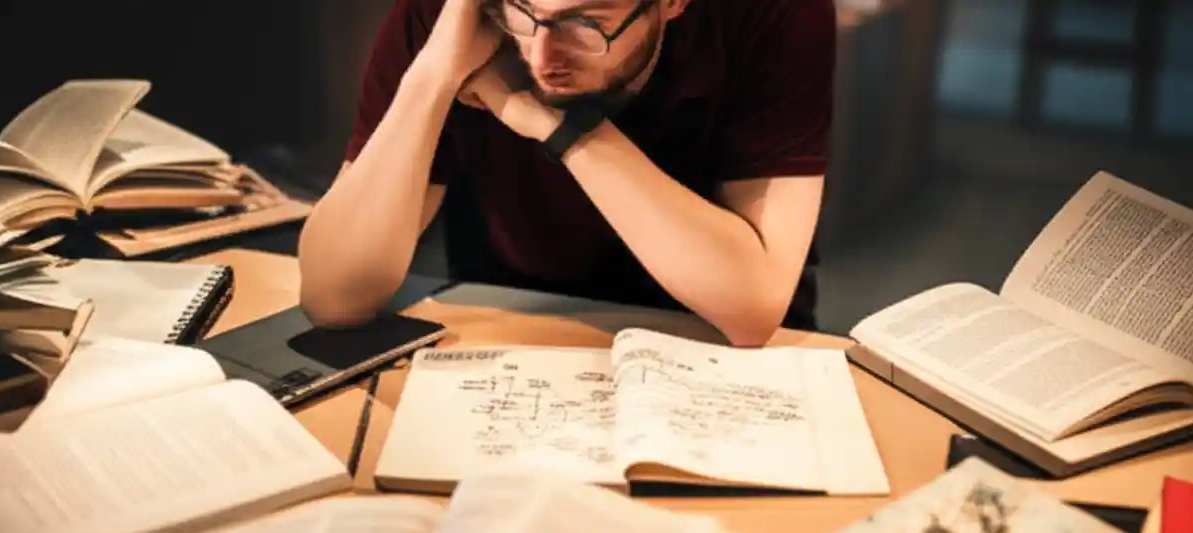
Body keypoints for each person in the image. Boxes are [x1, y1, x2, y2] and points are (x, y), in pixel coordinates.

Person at [299, 0, 836, 345]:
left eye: (585, 24)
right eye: (521, 10)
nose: (539, 56)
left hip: (713, 349)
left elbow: (751, 309)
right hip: (517, 332)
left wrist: (562, 129)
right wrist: (434, 75)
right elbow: (334, 299)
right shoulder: (455, 15)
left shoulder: (774, 13)